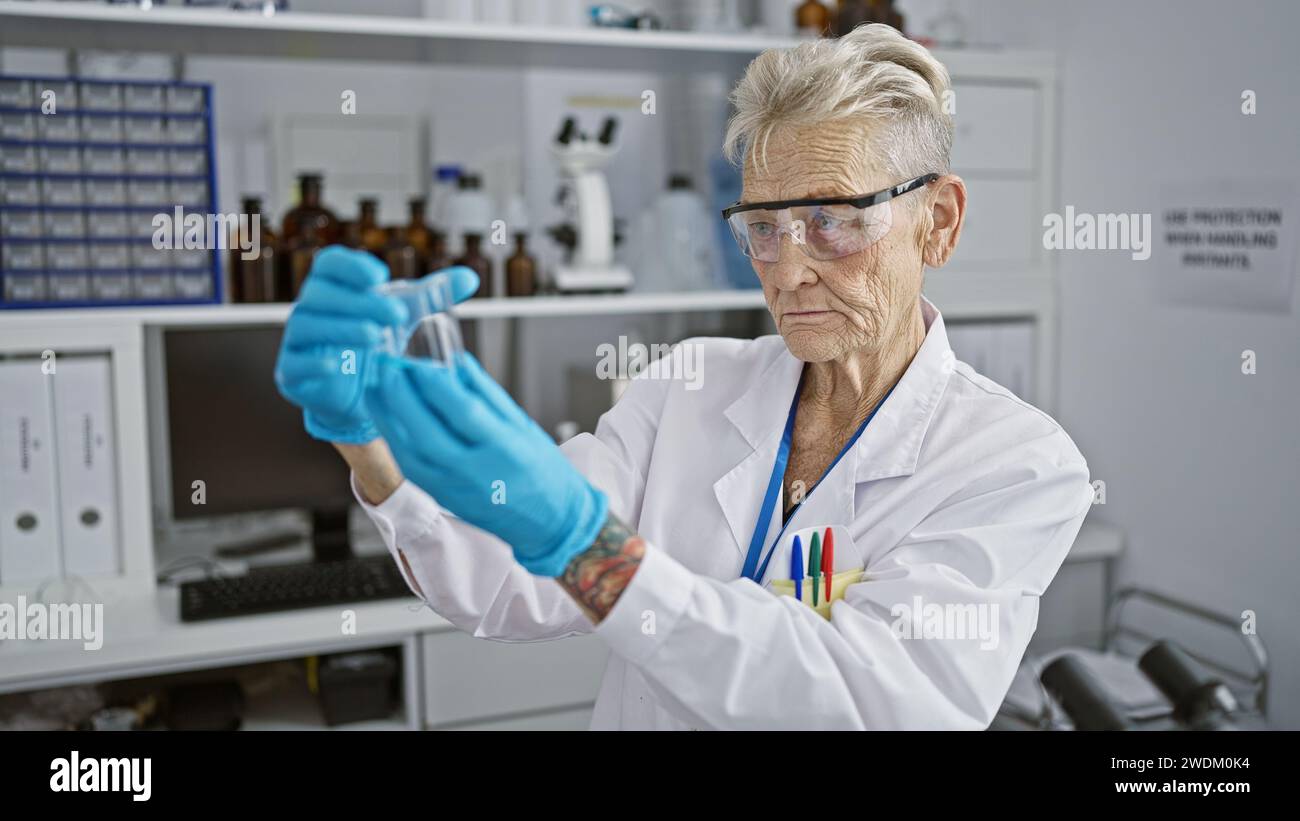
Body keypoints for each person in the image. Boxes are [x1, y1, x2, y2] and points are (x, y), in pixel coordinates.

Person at [275, 24, 1093, 730]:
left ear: (938, 221)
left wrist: (589, 546)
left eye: (835, 220)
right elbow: (503, 585)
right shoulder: (692, 383)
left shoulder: (1014, 462)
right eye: (762, 227)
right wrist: (367, 440)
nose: (789, 269)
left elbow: (871, 701)